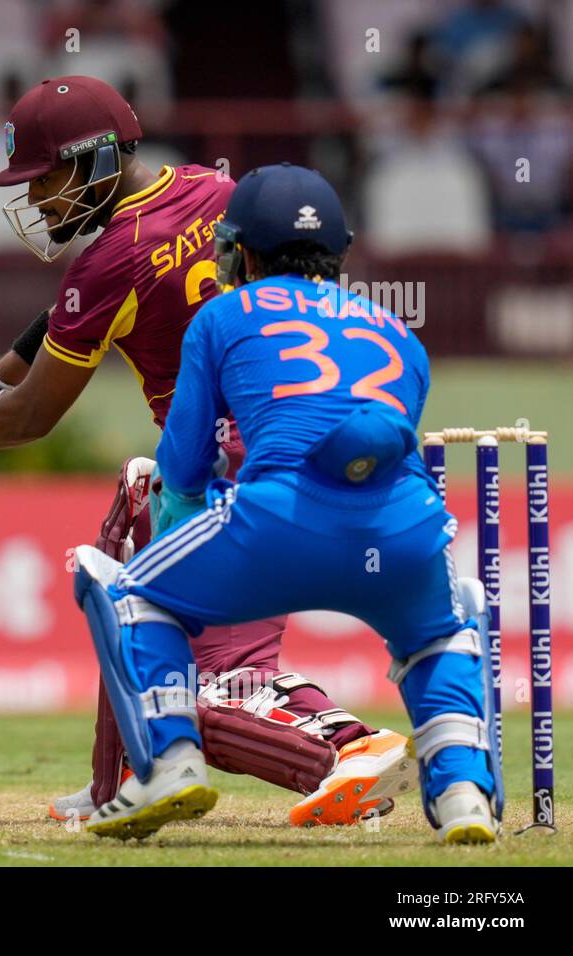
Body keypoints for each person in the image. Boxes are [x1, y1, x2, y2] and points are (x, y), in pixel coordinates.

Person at [0, 76, 416, 827]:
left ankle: (346, 748)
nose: (40, 203)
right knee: (127, 535)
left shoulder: (107, 266)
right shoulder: (209, 189)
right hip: (305, 442)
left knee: (205, 690)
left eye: (46, 180)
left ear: (93, 162)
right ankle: (117, 781)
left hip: (235, 480)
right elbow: (77, 315)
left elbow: (34, 417)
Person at [72, 164, 500, 844]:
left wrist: (200, 533)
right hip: (408, 529)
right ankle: (465, 797)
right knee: (439, 636)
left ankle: (170, 763)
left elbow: (182, 468)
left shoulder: (222, 315)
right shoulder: (398, 333)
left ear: (243, 251)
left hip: (278, 520)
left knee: (125, 592)